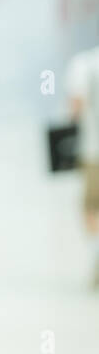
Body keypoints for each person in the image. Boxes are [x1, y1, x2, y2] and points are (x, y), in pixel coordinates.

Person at [66, 43, 99, 287]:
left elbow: (75, 108)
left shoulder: (83, 65)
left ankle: (96, 251)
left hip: (92, 149)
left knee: (91, 206)